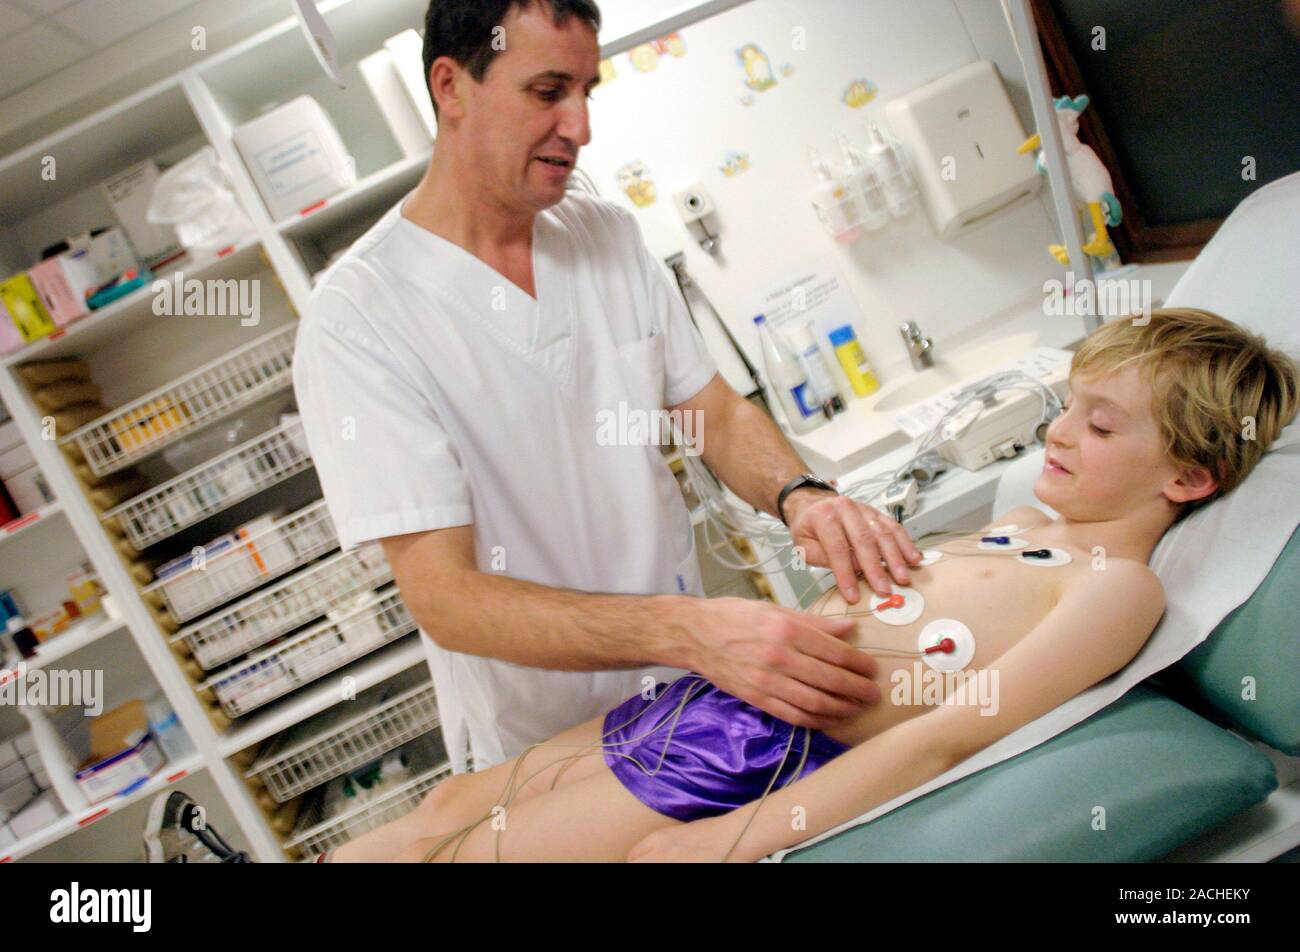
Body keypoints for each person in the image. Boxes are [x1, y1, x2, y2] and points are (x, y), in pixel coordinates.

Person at [303, 307, 1295, 862]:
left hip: (756, 749)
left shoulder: (1118, 589)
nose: (1060, 432)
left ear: (1190, 478)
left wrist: (739, 838)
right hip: (720, 687)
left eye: (1100, 423)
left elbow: (947, 733)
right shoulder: (1023, 522)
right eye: (1067, 407)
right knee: (448, 807)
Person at [292, 0, 918, 791]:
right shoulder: (361, 317)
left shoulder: (605, 238)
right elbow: (448, 599)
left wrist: (802, 496)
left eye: (588, 90)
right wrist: (688, 630)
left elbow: (713, 413)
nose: (580, 126)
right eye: (548, 91)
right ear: (451, 86)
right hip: (551, 752)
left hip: (696, 700)